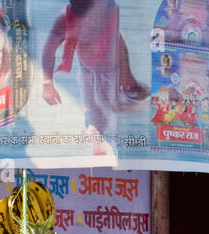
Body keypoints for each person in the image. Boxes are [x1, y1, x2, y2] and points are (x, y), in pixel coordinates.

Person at [41, 0, 148, 154]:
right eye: (90, 18)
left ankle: (105, 145)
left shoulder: (109, 10)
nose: (95, 21)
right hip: (88, 73)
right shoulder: (66, 17)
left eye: (99, 16)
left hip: (112, 74)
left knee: (111, 118)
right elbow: (49, 48)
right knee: (94, 116)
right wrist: (47, 83)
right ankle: (96, 140)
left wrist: (126, 75)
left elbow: (119, 42)